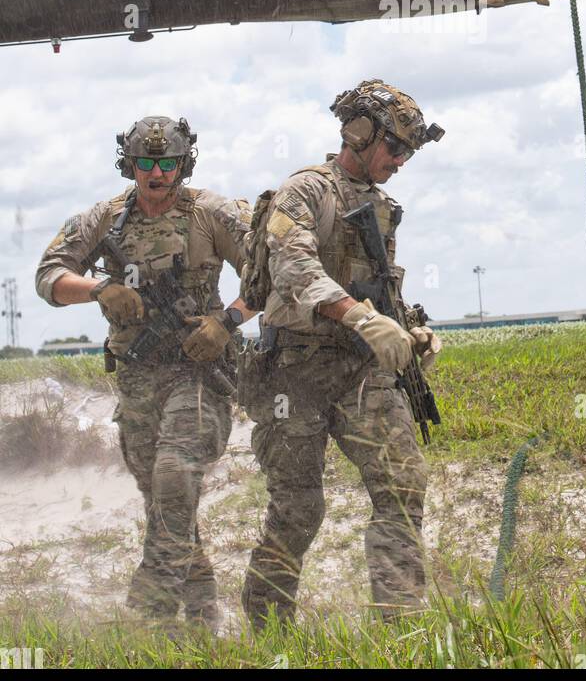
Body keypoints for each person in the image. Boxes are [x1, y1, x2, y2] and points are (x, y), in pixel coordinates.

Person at [35, 116, 252, 628]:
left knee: (176, 477)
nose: (157, 174)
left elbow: (270, 271)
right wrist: (99, 290)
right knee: (163, 501)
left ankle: (147, 614)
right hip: (135, 378)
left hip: (199, 373)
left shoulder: (213, 213)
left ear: (184, 163)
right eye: (146, 163)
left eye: (167, 163)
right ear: (128, 164)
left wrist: (227, 322)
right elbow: (49, 276)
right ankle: (203, 618)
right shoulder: (103, 219)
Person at [241, 80, 443, 624]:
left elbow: (381, 289)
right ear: (359, 134)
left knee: (403, 487)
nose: (402, 161)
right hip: (295, 373)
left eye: (409, 152)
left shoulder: (379, 206)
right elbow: (294, 268)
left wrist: (411, 330)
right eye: (396, 147)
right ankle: (268, 631)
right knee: (298, 509)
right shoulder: (305, 191)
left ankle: (399, 623)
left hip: (362, 373)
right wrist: (361, 317)